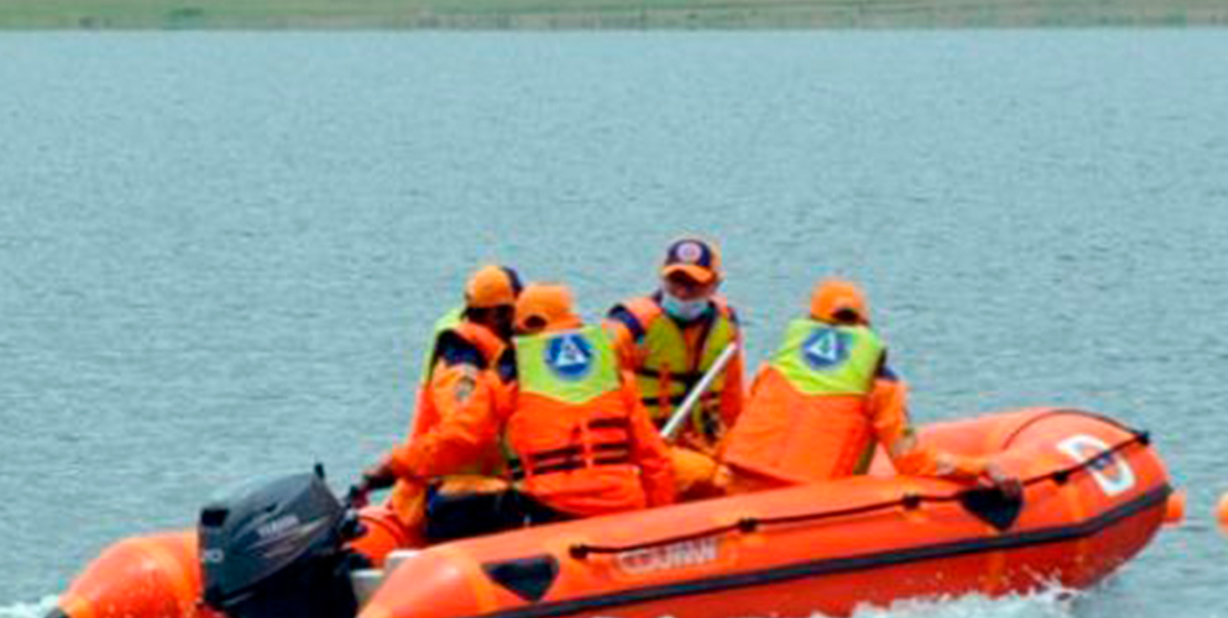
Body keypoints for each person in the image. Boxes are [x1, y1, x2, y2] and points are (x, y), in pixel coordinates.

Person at [356, 283, 676, 534]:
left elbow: (457, 439)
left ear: (528, 325)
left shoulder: (510, 377)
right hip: (622, 506)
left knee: (449, 508)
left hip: (553, 510)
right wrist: (656, 529)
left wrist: (392, 466)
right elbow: (654, 459)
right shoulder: (614, 374)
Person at [721, 279, 1021, 496]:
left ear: (810, 321)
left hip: (736, 486)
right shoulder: (879, 383)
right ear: (865, 324)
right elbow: (911, 461)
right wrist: (978, 467)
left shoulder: (773, 368)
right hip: (809, 501)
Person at [376, 263, 523, 537]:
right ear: (497, 313)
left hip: (478, 488)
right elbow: (464, 433)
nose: (520, 324)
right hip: (455, 495)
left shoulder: (496, 358)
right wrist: (393, 466)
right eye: (516, 312)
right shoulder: (462, 363)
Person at [605, 236, 745, 497]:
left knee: (749, 468)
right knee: (708, 476)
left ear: (715, 284)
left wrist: (738, 444)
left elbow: (732, 398)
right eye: (675, 282)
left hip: (705, 440)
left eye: (694, 284)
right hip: (651, 447)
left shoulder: (726, 324)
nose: (682, 292)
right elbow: (599, 393)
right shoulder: (631, 326)